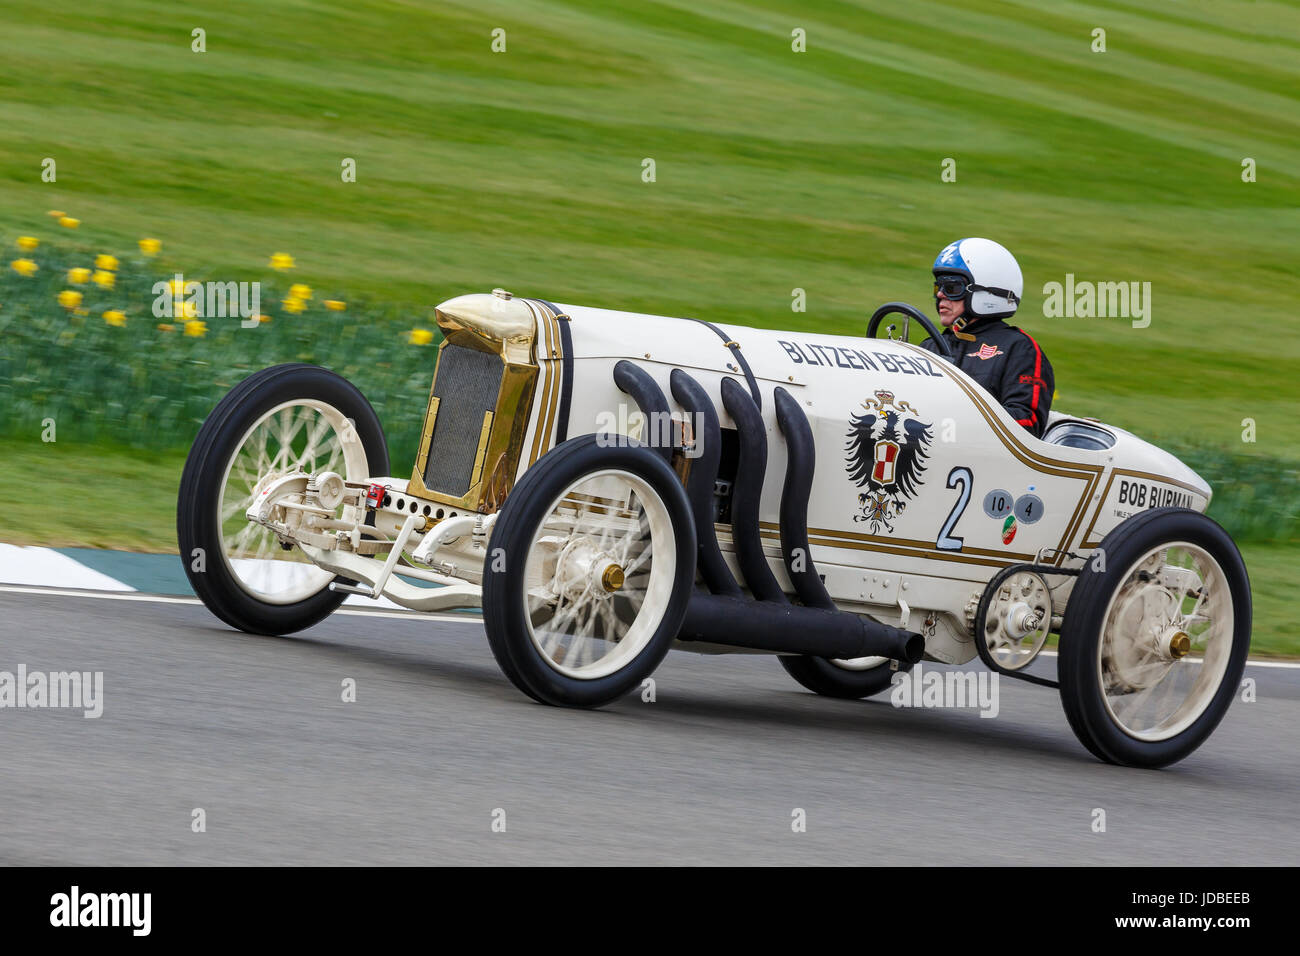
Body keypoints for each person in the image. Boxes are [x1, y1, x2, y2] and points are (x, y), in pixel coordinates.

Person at [920, 237, 1053, 438]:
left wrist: (956, 418)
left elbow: (1027, 424)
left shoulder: (1018, 349)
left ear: (986, 292)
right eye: (938, 287)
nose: (940, 295)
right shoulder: (930, 347)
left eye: (952, 288)